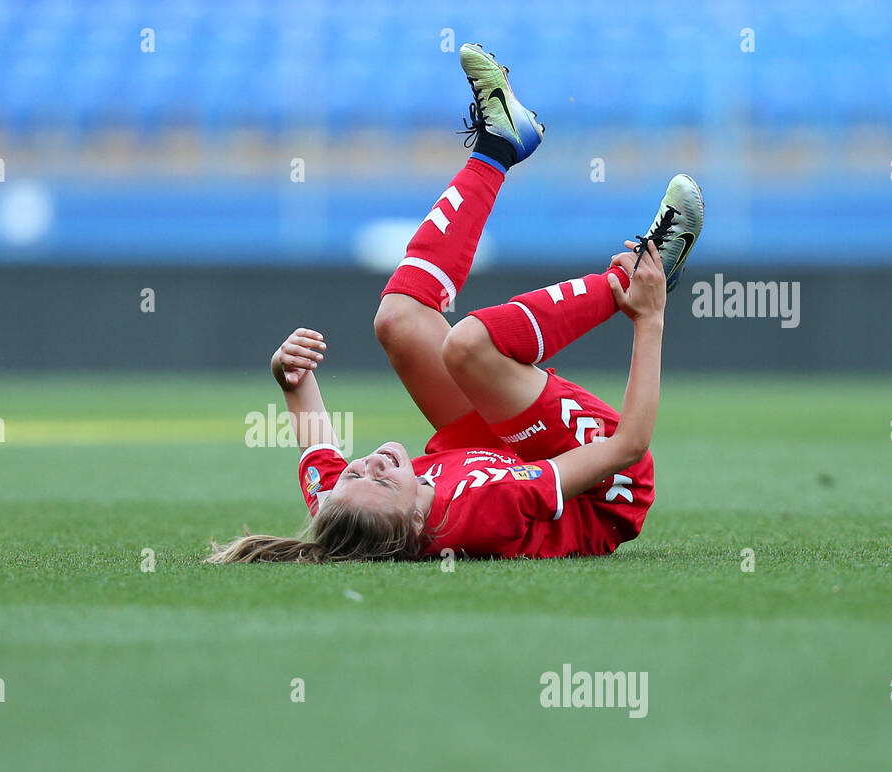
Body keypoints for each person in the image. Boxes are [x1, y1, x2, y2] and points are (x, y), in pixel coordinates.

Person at [207, 43, 703, 563]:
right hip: (602, 484)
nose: (369, 464)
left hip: (497, 455)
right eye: (380, 480)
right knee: (469, 346)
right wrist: (650, 319)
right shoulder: (483, 509)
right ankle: (635, 281)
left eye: (356, 471)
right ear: (418, 520)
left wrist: (290, 376)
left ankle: (498, 145)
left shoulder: (351, 508)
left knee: (397, 321)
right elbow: (628, 446)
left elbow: (317, 448)